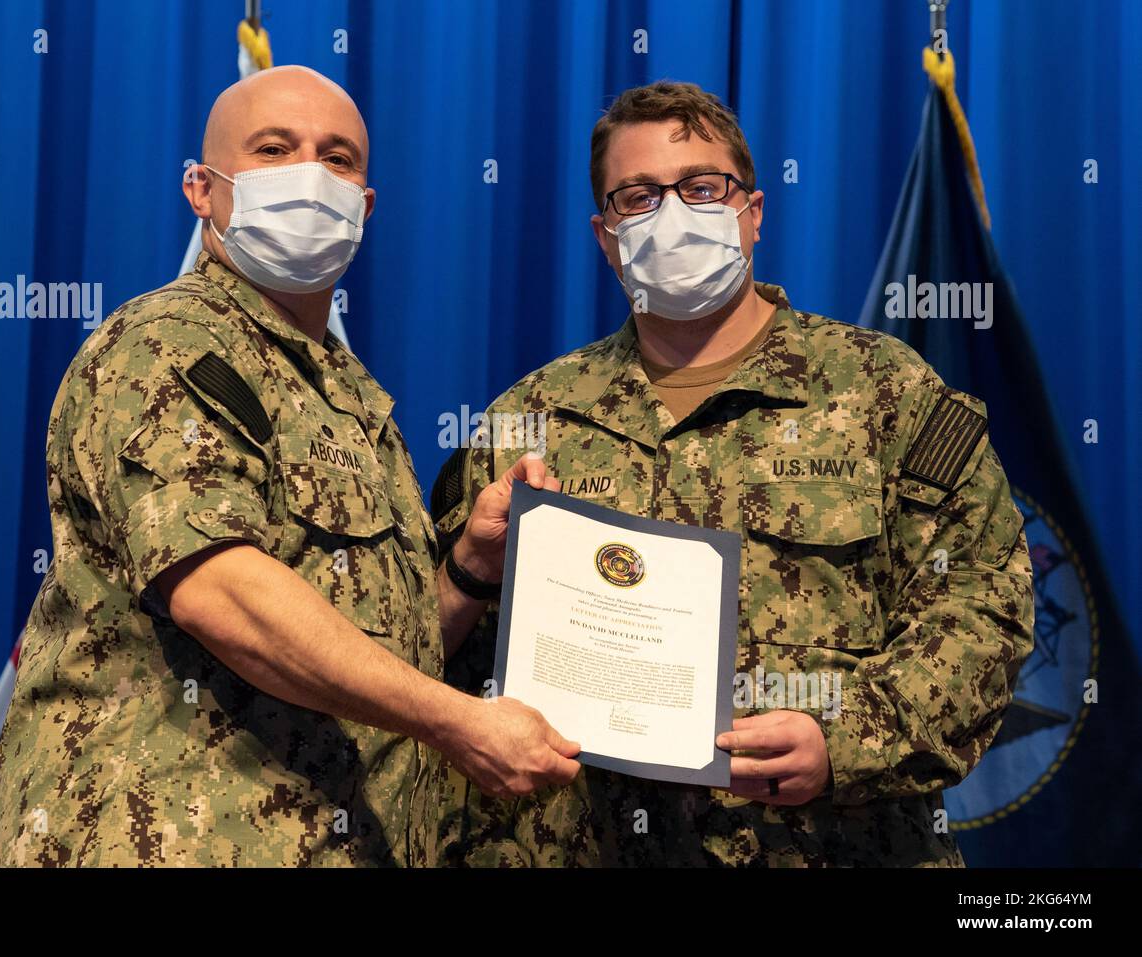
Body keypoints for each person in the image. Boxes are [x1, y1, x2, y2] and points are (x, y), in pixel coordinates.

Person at [433, 81, 1034, 867]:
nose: (671, 214)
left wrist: (841, 737)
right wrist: (471, 570)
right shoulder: (527, 420)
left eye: (701, 188)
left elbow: (984, 606)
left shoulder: (885, 392)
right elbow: (423, 666)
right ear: (605, 235)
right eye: (638, 196)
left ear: (752, 213)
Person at [0, 65, 579, 868]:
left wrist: (470, 572)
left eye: (338, 159)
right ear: (202, 189)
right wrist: (459, 721)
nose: (311, 175)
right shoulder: (168, 343)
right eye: (275, 148)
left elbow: (370, 650)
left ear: (365, 207)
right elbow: (221, 592)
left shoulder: (348, 396)